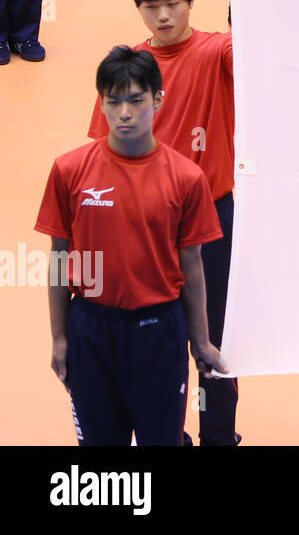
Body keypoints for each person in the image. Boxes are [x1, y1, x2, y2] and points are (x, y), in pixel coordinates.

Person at [85, 0, 239, 444]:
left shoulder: (219, 52)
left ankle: (219, 435)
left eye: (172, 3)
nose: (164, 16)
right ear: (139, 9)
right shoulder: (128, 71)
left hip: (211, 215)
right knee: (159, 335)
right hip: (143, 224)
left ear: (190, 2)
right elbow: (101, 155)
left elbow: (264, 52)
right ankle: (166, 436)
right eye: (151, 7)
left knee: (214, 335)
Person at [38, 46, 226, 445]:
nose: (124, 112)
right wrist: (59, 337)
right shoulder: (69, 171)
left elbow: (191, 265)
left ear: (157, 100)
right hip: (89, 327)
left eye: (136, 100)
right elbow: (58, 258)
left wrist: (201, 340)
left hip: (159, 329)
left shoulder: (187, 179)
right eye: (113, 101)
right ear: (101, 103)